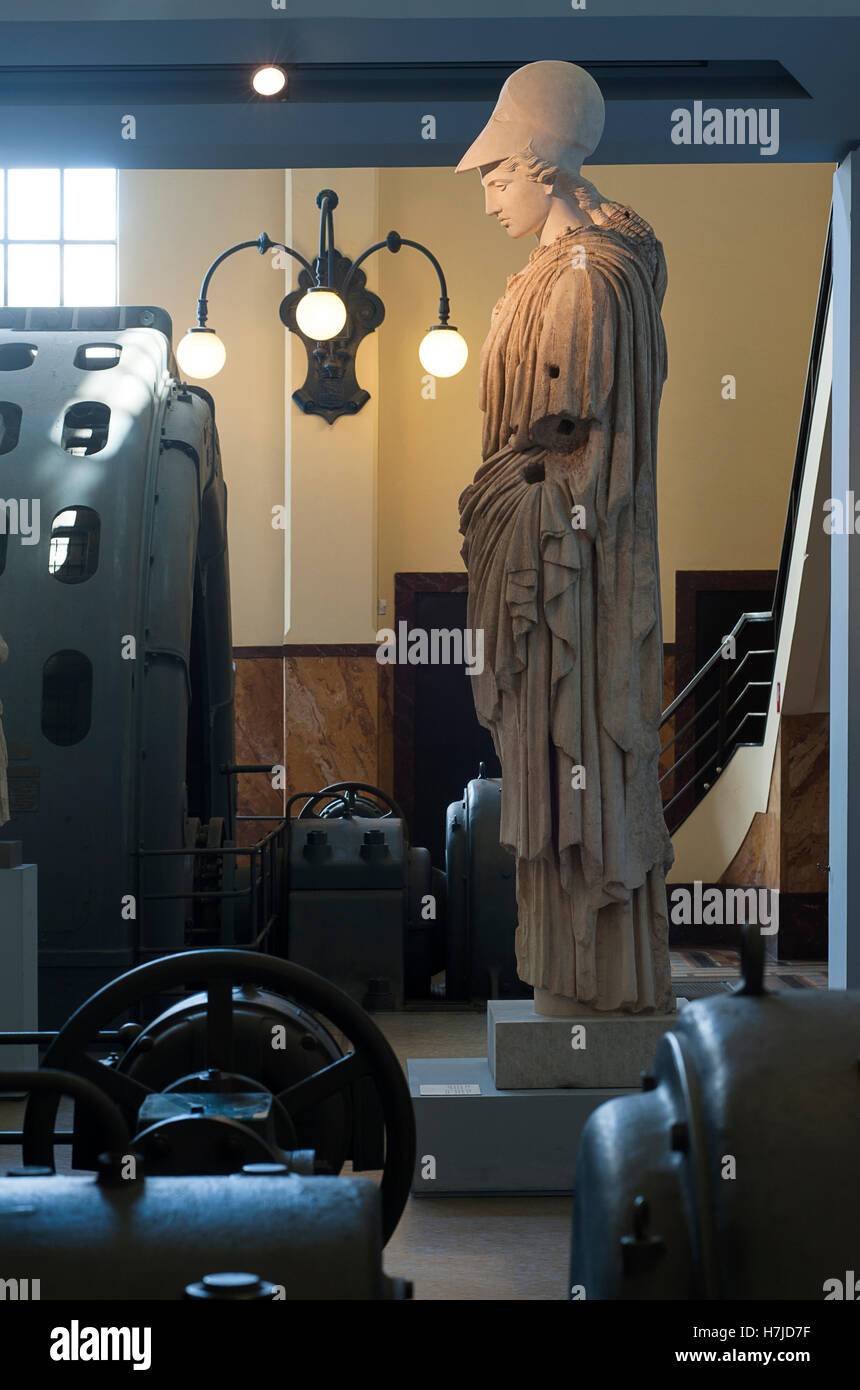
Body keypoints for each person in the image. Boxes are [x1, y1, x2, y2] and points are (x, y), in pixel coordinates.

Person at [456, 61, 674, 1013]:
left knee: (568, 745)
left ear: (544, 165)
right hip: (548, 547)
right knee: (546, 758)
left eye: (499, 173)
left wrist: (509, 495)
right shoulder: (559, 272)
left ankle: (595, 983)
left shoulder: (586, 278)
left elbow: (572, 438)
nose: (490, 194)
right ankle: (574, 979)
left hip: (570, 564)